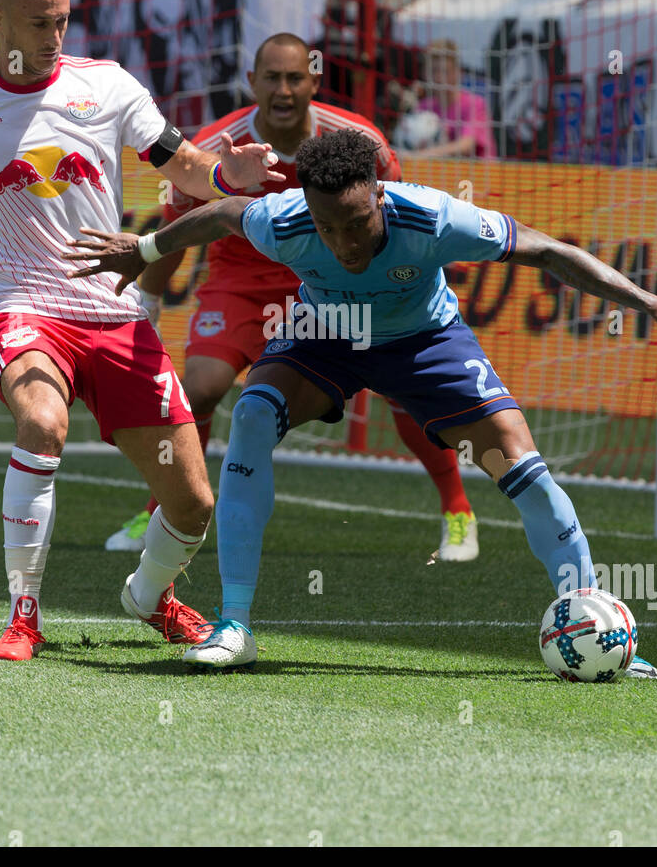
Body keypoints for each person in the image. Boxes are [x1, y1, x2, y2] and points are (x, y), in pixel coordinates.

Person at [66, 128, 657, 672]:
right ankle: (236, 625)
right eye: (330, 229)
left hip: (424, 340)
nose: (346, 243)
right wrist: (145, 248)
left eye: (357, 222)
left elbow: (548, 251)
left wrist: (648, 302)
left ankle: (592, 622)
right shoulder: (285, 220)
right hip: (324, 332)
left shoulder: (437, 218)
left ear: (380, 195)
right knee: (250, 413)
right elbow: (219, 214)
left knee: (519, 460)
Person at [0, 0, 283, 661]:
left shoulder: (106, 85)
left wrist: (230, 174)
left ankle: (148, 596)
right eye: (39, 22)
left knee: (194, 501)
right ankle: (23, 615)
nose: (53, 35)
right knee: (41, 423)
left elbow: (182, 162)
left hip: (115, 312)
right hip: (24, 309)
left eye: (62, 20)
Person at [106, 33, 484, 563]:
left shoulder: (360, 142)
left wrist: (403, 291)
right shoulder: (217, 144)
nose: (283, 90)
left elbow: (397, 217)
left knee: (403, 391)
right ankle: (162, 513)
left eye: (294, 78)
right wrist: (146, 302)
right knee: (202, 387)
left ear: (314, 81)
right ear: (252, 83)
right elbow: (180, 226)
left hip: (336, 281)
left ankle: (458, 510)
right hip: (240, 282)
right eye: (272, 78)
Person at [406, 38, 495, 158]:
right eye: (433, 71)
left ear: (458, 72)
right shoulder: (423, 107)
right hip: (433, 173)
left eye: (444, 71)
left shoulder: (475, 104)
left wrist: (419, 155)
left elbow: (466, 146)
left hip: (478, 174)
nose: (437, 77)